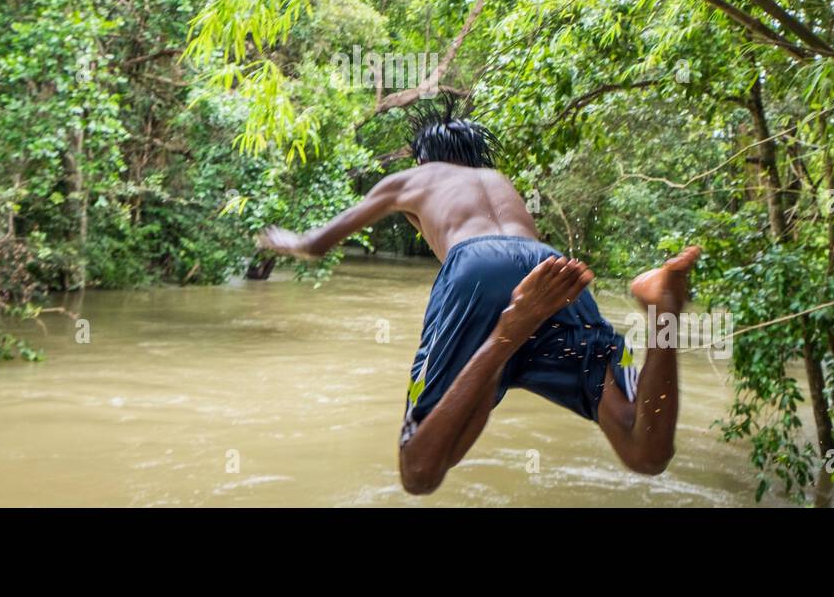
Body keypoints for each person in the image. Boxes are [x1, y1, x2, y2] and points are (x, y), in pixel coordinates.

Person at [257, 96, 701, 495]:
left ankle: (506, 336)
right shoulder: (496, 180)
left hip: (478, 267)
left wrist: (287, 241)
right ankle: (664, 310)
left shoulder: (413, 178)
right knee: (644, 452)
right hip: (547, 266)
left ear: (422, 157)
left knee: (418, 471)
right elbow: (516, 251)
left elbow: (318, 244)